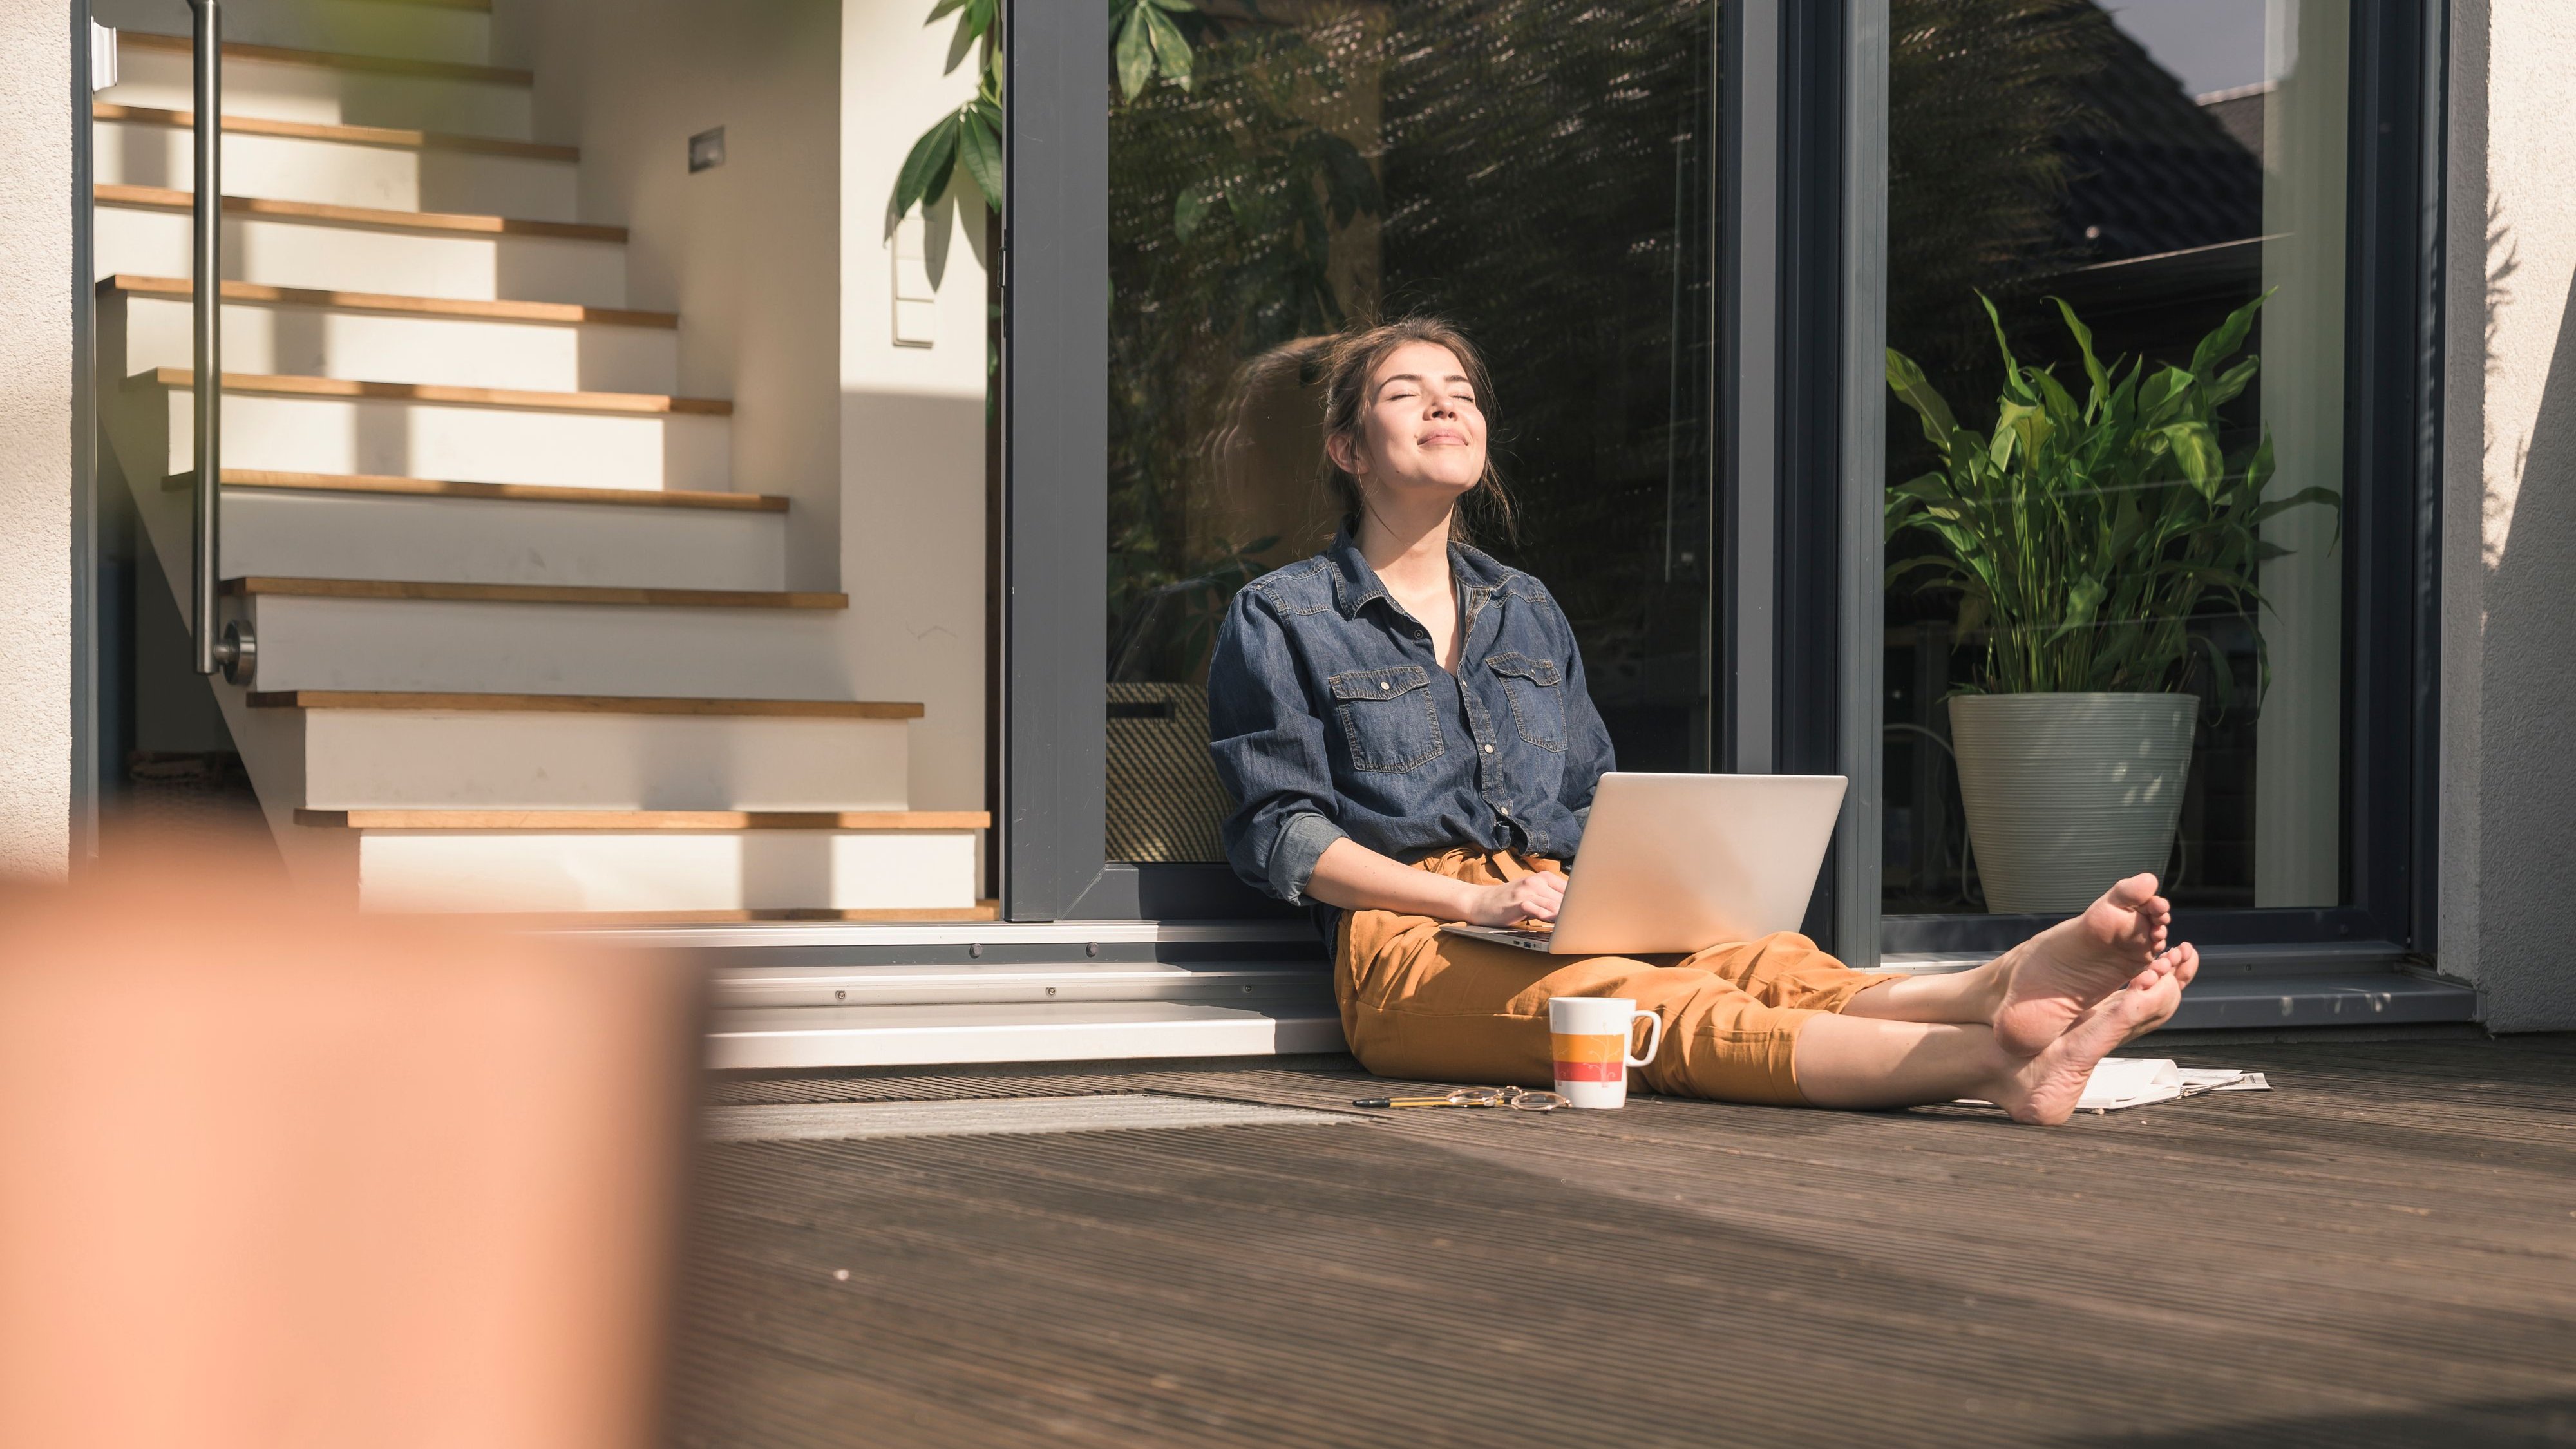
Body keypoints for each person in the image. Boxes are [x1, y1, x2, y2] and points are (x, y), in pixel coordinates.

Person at [1205, 317, 2199, 1125]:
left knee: (1767, 959)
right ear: (1347, 448)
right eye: (1406, 392)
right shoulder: (1284, 614)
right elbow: (1282, 834)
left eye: (1461, 392)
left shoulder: (1526, 606)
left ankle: (2005, 984)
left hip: (1557, 904)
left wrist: (1643, 889)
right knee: (1649, 1013)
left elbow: (1592, 794)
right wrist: (1474, 906)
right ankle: (1992, 1063)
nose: (1445, 404)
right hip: (1409, 940)